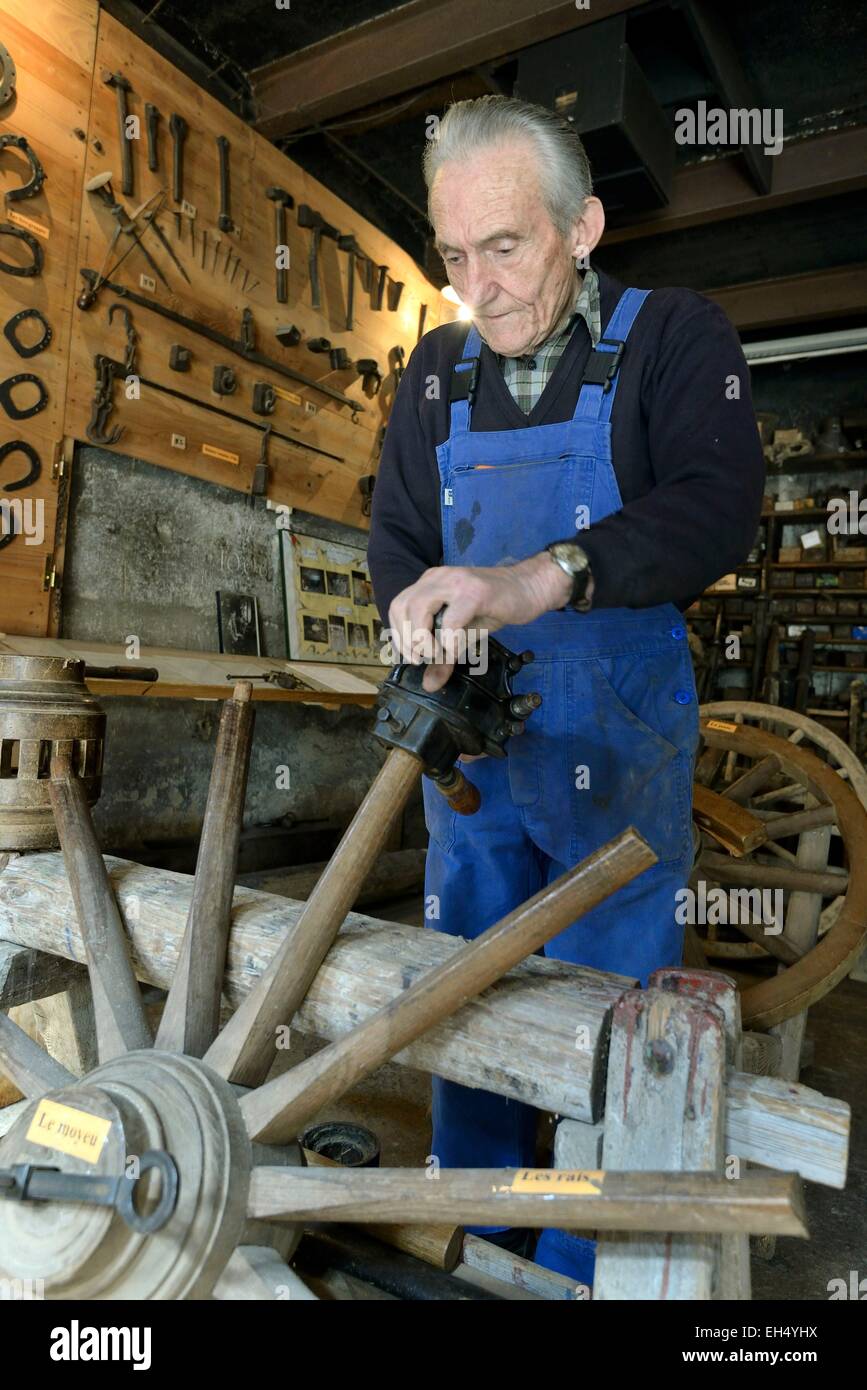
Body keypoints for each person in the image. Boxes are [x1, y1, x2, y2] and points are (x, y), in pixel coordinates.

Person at [367, 96, 765, 1286]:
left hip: (618, 738)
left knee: (611, 1014)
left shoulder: (675, 337)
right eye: (453, 256)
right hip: (477, 750)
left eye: (507, 247)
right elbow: (397, 529)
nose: (476, 289)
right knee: (465, 992)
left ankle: (582, 1255)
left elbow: (715, 502)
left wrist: (547, 577)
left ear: (582, 226)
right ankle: (479, 1230)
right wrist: (415, 612)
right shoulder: (434, 376)